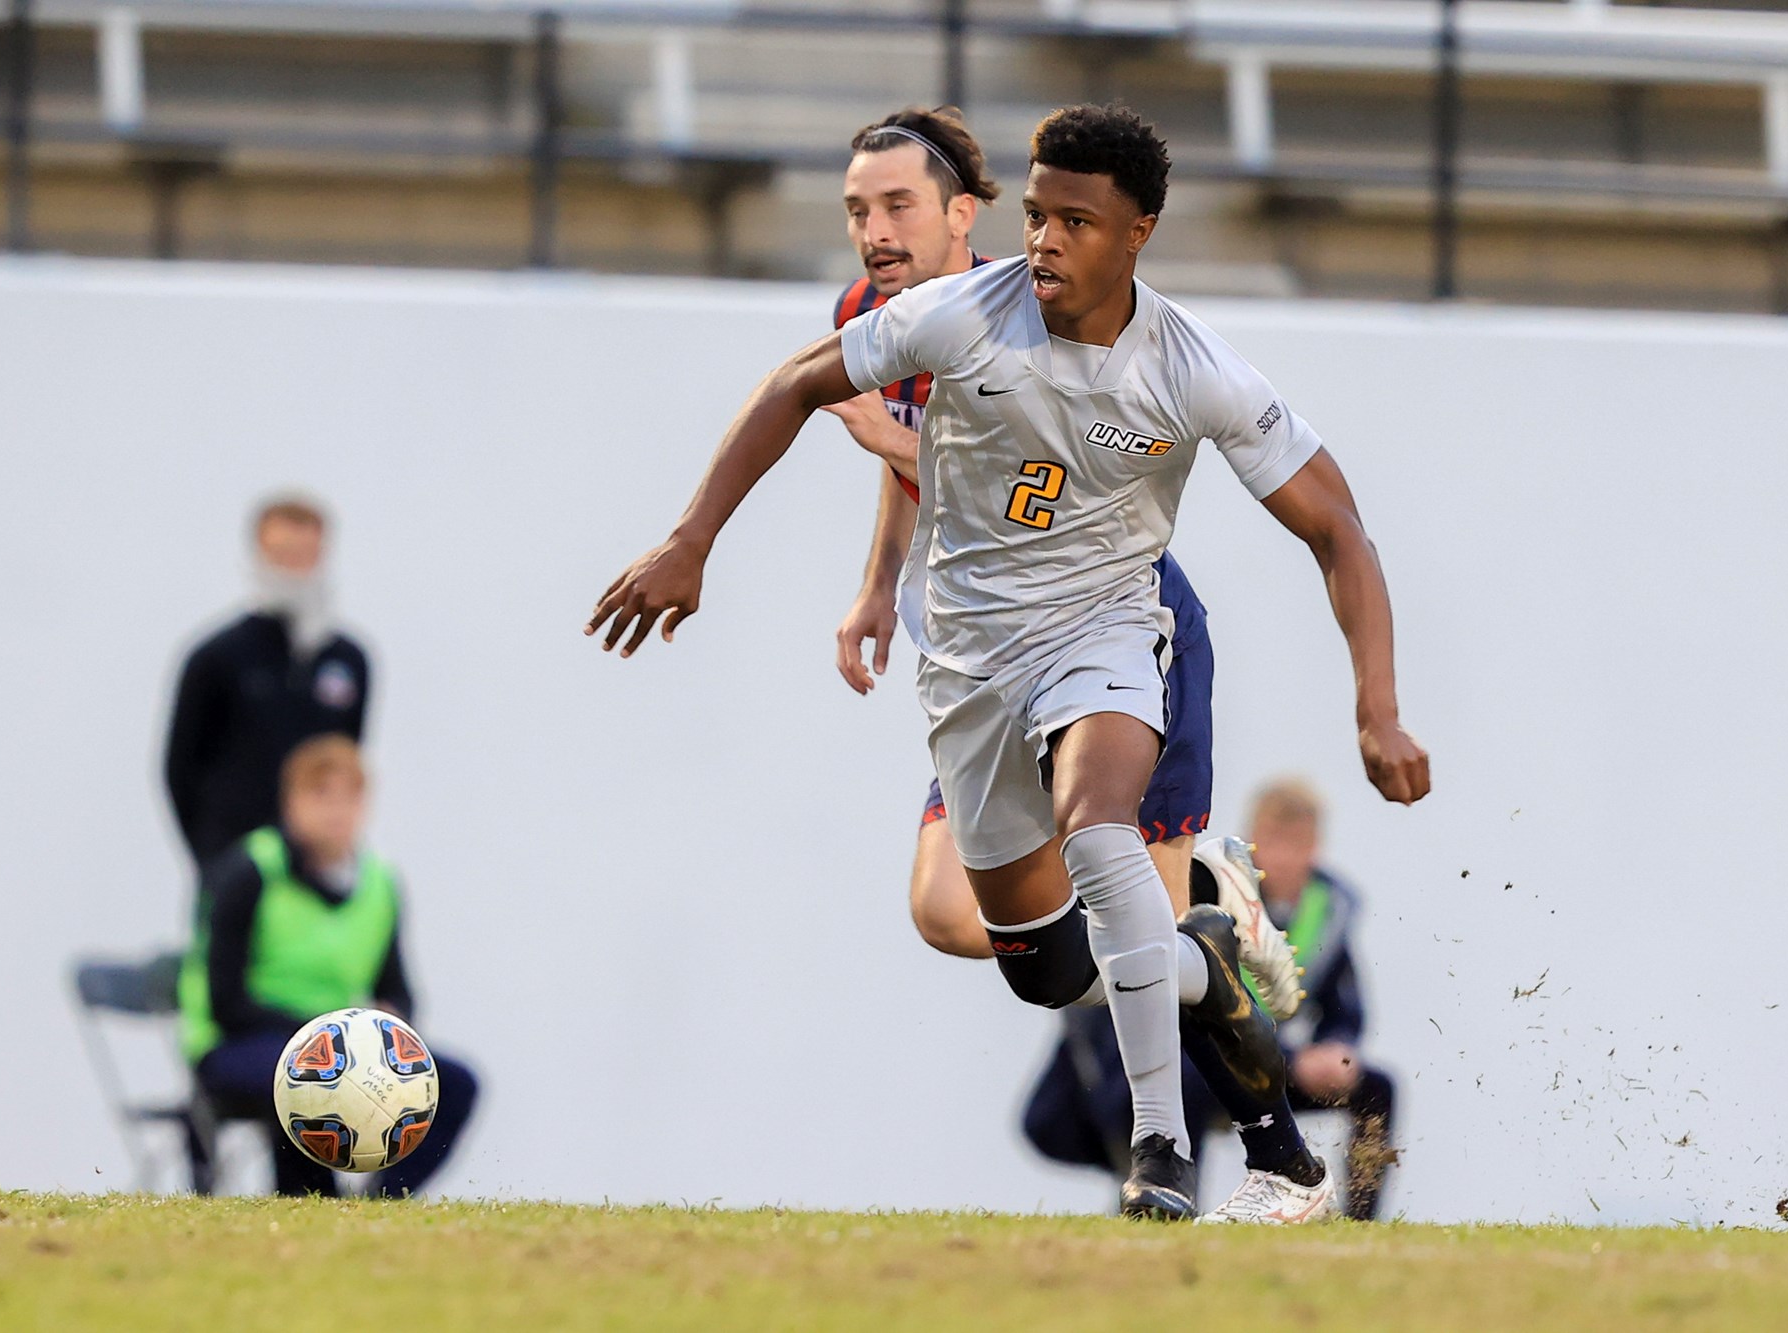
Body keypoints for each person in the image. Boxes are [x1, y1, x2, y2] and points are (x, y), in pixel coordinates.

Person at [589, 103, 1430, 1222]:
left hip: (1113, 631)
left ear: (1137, 231)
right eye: (1035, 216)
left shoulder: (1192, 369)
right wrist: (695, 540)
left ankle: (1164, 1150)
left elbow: (1336, 528)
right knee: (1026, 955)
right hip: (971, 663)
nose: (1043, 241)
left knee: (1099, 829)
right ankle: (1207, 959)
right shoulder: (953, 318)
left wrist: (1376, 705)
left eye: (1072, 221)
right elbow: (796, 386)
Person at [822, 108, 1306, 1201]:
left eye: (898, 205)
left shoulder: (1032, 308)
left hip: (1112, 629)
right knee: (959, 919)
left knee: (1123, 894)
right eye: (857, 209)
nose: (875, 231)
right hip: (985, 642)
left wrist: (898, 442)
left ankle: (1256, 1159)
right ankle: (1204, 946)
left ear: (961, 216)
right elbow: (933, 475)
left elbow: (1019, 469)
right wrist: (874, 585)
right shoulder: (873, 314)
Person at [177, 736, 478, 1197]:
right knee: (309, 1076)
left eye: (349, 796)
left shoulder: (380, 885)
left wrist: (390, 1026)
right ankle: (313, 1202)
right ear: (290, 802)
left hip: (342, 1045)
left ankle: (380, 1203)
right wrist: (322, 1036)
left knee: (454, 1083)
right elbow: (225, 1002)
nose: (336, 811)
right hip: (239, 1043)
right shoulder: (250, 871)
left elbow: (397, 989)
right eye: (320, 794)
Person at [164, 494, 372, 870]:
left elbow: (348, 758)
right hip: (236, 861)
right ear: (258, 553)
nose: (293, 568)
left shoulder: (347, 661)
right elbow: (180, 767)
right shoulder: (217, 657)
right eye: (283, 553)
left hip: (317, 869)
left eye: (305, 553)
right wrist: (212, 858)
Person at [1246, 777, 1400, 1221]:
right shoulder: (1224, 902)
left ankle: (1361, 1221)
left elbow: (1344, 1006)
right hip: (1214, 1065)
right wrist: (1291, 1058)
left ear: (1316, 847)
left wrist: (1336, 1049)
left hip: (1282, 1066)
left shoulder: (1328, 911)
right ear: (1252, 842)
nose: (1286, 856)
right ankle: (1179, 1209)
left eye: (1300, 843)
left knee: (1377, 1089)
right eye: (1275, 840)